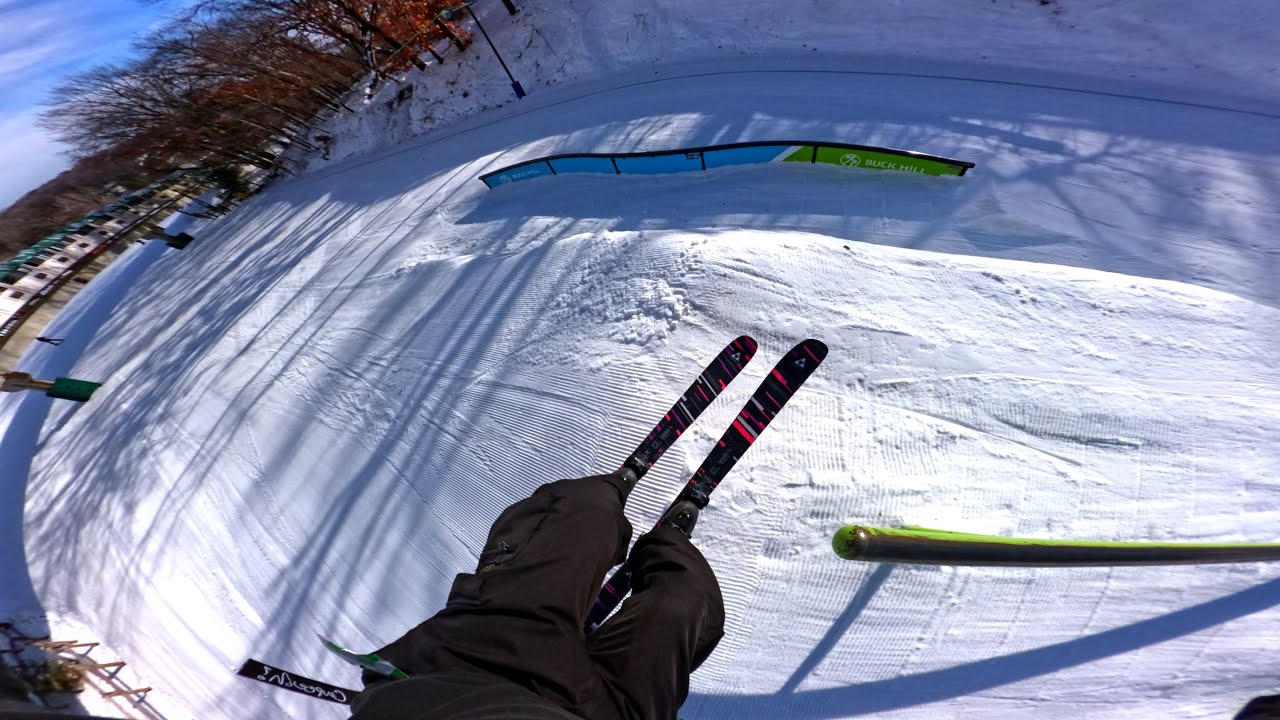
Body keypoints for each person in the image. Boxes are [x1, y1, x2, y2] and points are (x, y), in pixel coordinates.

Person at [348, 469, 725, 720]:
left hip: (472, 669)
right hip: (606, 711)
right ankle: (670, 541)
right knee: (686, 603)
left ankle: (612, 491)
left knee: (584, 514)